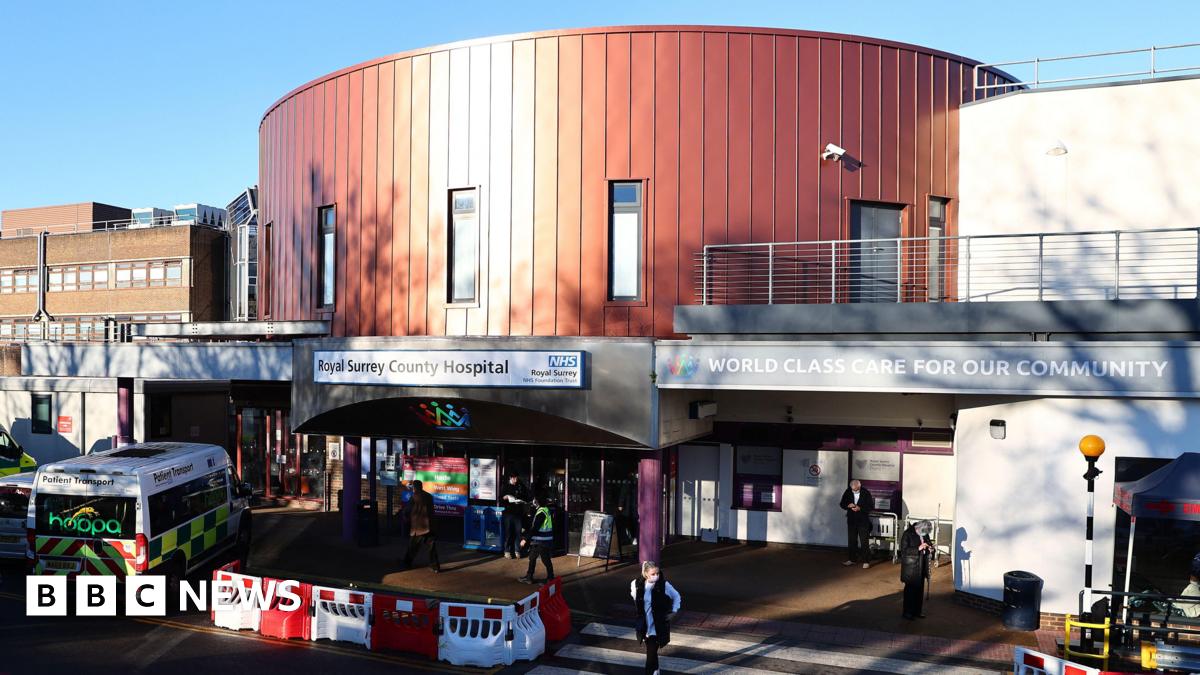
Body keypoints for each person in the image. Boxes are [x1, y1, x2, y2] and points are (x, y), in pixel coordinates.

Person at [631, 560, 681, 675]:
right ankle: (656, 671)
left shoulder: (664, 585)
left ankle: (650, 672)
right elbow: (635, 597)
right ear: (646, 574)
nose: (656, 576)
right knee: (651, 652)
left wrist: (673, 612)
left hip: (657, 625)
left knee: (650, 656)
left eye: (657, 573)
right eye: (653, 574)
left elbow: (676, 596)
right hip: (645, 625)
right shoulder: (636, 584)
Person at [401, 480, 440, 573]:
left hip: (419, 527)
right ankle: (435, 567)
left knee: (412, 547)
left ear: (414, 488)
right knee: (432, 548)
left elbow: (407, 510)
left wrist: (405, 516)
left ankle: (407, 563)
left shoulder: (414, 497)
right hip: (429, 526)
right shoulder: (429, 496)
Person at [900, 520, 934, 619]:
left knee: (919, 591)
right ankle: (907, 613)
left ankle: (917, 611)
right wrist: (918, 548)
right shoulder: (907, 534)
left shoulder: (925, 533)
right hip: (911, 567)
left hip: (922, 566)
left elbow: (929, 544)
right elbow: (904, 551)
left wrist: (931, 549)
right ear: (918, 528)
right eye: (924, 532)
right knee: (910, 591)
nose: (925, 535)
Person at [518, 494, 554, 584]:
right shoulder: (544, 510)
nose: (533, 501)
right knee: (533, 557)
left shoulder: (541, 512)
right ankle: (529, 577)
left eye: (535, 499)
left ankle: (550, 578)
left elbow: (535, 528)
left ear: (538, 501)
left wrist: (525, 539)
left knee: (545, 559)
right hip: (542, 540)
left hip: (542, 540)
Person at [839, 479, 875, 568]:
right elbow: (842, 503)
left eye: (856, 489)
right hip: (851, 520)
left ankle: (866, 561)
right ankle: (852, 559)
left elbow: (870, 506)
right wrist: (848, 505)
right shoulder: (848, 491)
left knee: (864, 541)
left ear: (859, 486)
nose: (854, 491)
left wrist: (860, 508)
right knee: (852, 540)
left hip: (863, 521)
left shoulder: (866, 493)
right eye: (853, 489)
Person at [500, 473, 530, 559]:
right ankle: (507, 551)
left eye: (517, 478)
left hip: (518, 513)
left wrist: (522, 501)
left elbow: (525, 497)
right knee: (509, 533)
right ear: (510, 478)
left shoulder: (520, 486)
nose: (516, 480)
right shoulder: (505, 487)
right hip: (508, 513)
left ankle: (517, 551)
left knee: (518, 533)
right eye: (514, 478)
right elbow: (500, 499)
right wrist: (505, 497)